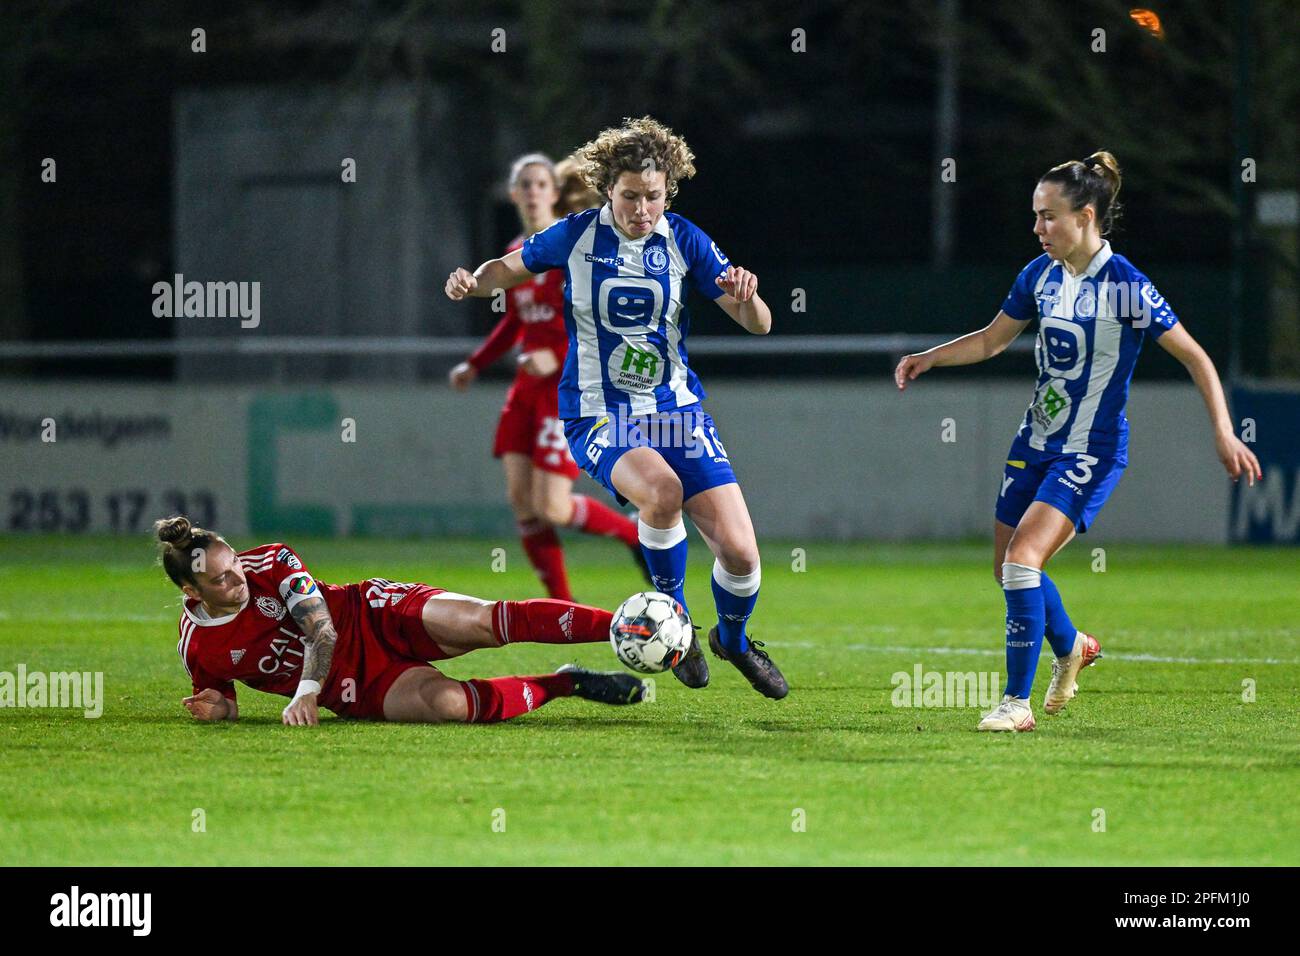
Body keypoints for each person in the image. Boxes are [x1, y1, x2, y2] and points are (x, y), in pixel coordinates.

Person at [894, 151, 1261, 731]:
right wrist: (929, 358)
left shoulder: (1126, 286)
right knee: (1008, 569)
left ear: (1085, 216)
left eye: (1048, 217)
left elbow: (1196, 356)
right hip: (1034, 441)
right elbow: (992, 341)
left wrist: (1222, 429)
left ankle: (1015, 704)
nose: (1038, 228)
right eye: (1036, 216)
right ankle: (1072, 646)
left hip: (1091, 450)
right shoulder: (1038, 276)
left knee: (1022, 562)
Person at [445, 116, 788, 699]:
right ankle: (674, 624)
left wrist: (749, 300)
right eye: (630, 196)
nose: (642, 209)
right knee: (660, 493)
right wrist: (472, 282)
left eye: (653, 197)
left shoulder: (685, 239)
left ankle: (732, 638)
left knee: (741, 553)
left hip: (679, 413)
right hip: (600, 414)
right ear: (608, 188)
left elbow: (758, 324)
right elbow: (507, 270)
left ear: (667, 192)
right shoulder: (575, 234)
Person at [157, 515, 644, 726]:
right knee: (451, 706)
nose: (239, 579)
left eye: (235, 565)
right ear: (190, 592)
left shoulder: (271, 562)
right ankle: (564, 684)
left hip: (372, 615)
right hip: (360, 686)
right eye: (222, 581)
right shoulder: (198, 645)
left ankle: (626, 626)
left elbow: (320, 628)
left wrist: (305, 692)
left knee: (483, 621)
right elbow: (223, 699)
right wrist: (216, 709)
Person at [448, 153, 645, 601]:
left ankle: (633, 536)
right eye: (525, 185)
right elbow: (516, 320)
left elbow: (597, 318)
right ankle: (563, 608)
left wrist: (556, 359)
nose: (534, 192)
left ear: (555, 193)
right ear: (515, 194)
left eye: (542, 184)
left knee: (553, 506)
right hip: (525, 391)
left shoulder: (571, 246)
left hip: (564, 389)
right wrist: (476, 363)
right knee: (522, 501)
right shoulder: (518, 250)